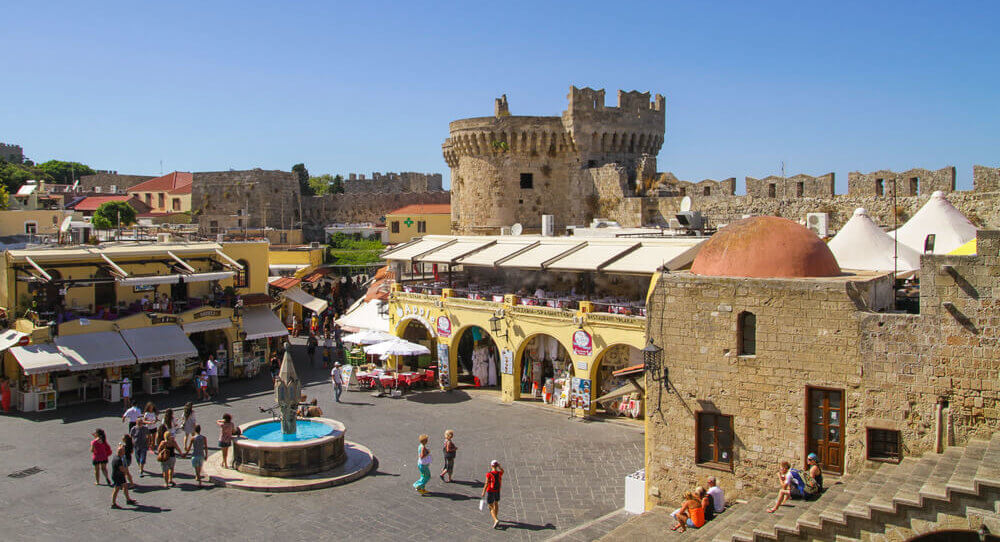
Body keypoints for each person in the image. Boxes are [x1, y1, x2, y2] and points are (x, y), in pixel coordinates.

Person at [109, 444, 137, 509]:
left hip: (119, 475)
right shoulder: (118, 460)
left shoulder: (116, 457)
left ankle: (128, 499)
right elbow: (121, 469)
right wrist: (126, 471)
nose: (125, 452)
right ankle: (113, 503)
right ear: (122, 452)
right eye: (124, 451)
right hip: (118, 476)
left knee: (125, 486)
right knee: (116, 489)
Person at [481, 460, 505, 529]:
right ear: (497, 465)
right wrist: (499, 466)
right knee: (496, 503)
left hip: (490, 491)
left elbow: (486, 484)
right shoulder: (499, 473)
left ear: (491, 465)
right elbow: (503, 471)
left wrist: (483, 492)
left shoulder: (489, 474)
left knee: (490, 506)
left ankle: (495, 520)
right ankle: (496, 516)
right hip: (497, 491)